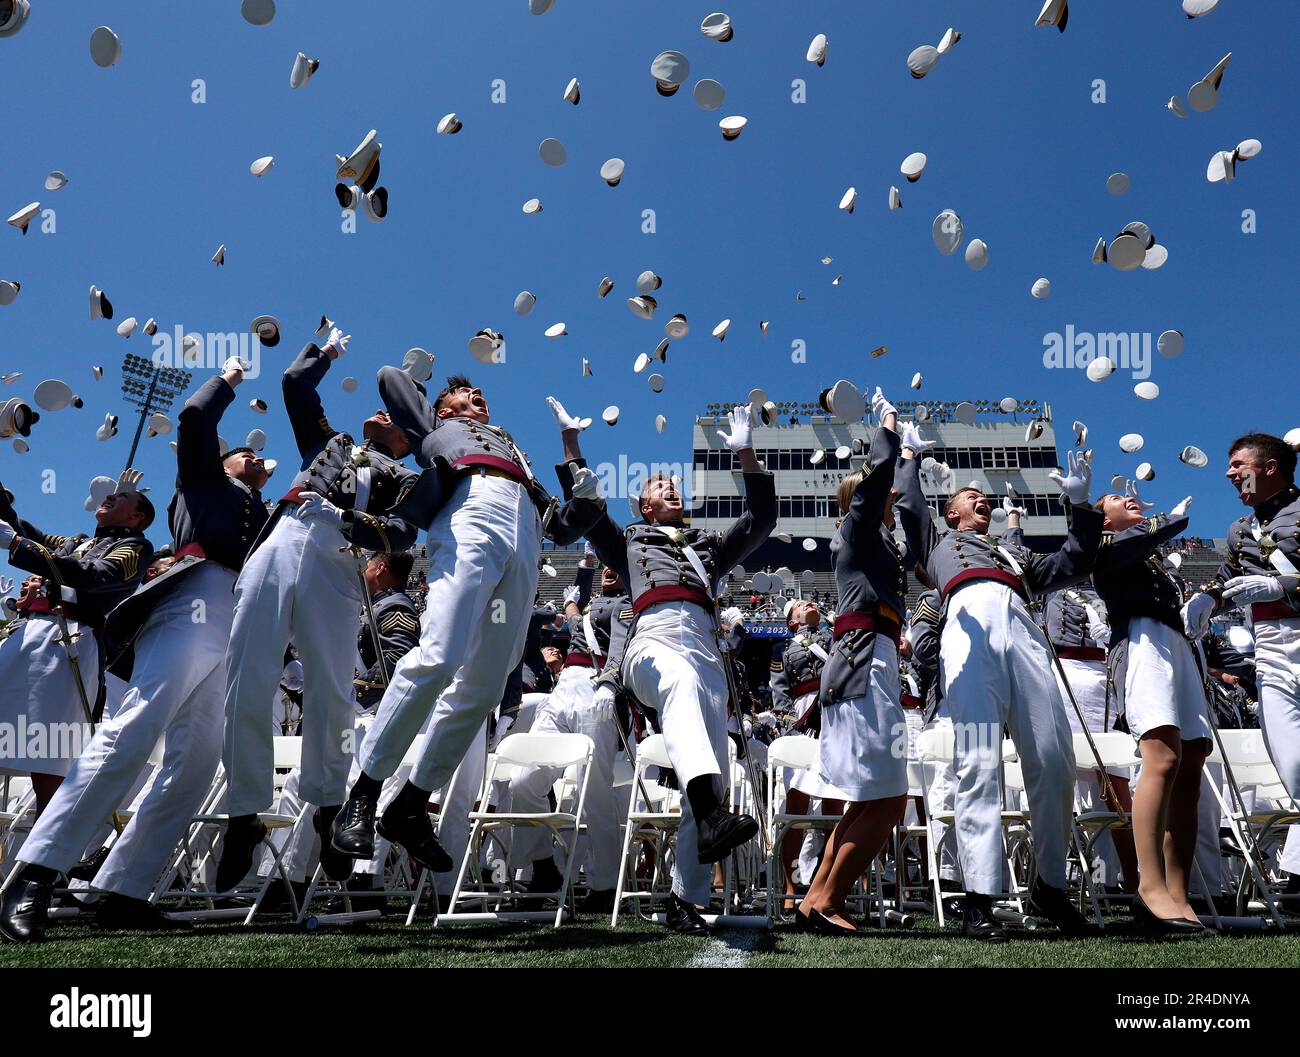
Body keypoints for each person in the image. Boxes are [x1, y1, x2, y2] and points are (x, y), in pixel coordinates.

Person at [1, 357, 270, 942]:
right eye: (248, 456)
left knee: (196, 762)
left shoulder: (266, 514)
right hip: (195, 596)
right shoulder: (202, 478)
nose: (258, 464)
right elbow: (195, 413)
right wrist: (227, 378)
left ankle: (123, 885)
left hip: (242, 614)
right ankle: (34, 875)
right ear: (221, 459)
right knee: (134, 726)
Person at [330, 374, 602, 878]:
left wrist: (574, 457)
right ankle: (363, 794)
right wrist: (431, 407)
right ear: (442, 410)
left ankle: (409, 806)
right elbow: (389, 378)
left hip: (524, 531)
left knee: (483, 690)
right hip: (470, 510)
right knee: (438, 656)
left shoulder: (517, 456)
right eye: (464, 395)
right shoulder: (437, 432)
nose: (478, 397)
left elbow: (564, 526)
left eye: (481, 394)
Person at [547, 396, 775, 933]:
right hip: (651, 639)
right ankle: (713, 820)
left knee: (711, 764)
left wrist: (746, 453)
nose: (670, 488)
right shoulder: (626, 541)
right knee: (674, 683)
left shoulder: (708, 546)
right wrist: (572, 445)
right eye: (658, 487)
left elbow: (762, 518)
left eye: (673, 485)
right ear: (644, 506)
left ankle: (684, 897)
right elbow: (584, 504)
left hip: (704, 646)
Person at [217, 329, 428, 893]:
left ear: (407, 437)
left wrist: (347, 519)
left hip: (340, 556)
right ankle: (244, 811)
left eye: (392, 415)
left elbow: (403, 532)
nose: (379, 413)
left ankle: (330, 806)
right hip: (285, 535)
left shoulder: (410, 478)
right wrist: (325, 353)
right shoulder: (330, 444)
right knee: (247, 669)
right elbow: (293, 385)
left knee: (332, 689)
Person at [896, 427, 1103, 941]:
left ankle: (1049, 886)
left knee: (1055, 760)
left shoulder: (1014, 555)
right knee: (978, 760)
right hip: (966, 621)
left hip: (1023, 624)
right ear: (951, 514)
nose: (980, 498)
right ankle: (980, 896)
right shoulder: (938, 542)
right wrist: (909, 455)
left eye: (983, 496)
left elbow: (1073, 562)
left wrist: (1080, 506)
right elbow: (909, 502)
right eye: (969, 496)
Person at [796, 389, 909, 935]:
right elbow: (882, 476)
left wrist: (905, 457)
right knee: (889, 796)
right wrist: (887, 424)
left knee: (870, 794)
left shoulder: (877, 540)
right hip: (864, 660)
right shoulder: (860, 529)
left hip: (868, 659)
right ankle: (829, 896)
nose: (890, 499)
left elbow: (899, 487)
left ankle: (818, 897)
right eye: (882, 495)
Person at [1184, 433, 1300, 883]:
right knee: (1291, 765)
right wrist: (1207, 600)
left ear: (1269, 467)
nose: (1230, 473)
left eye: (1237, 465)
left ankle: (1294, 878)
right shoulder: (1239, 530)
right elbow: (1226, 579)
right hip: (1269, 647)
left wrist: (1285, 586)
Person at [1090, 486, 1207, 931]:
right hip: (1140, 639)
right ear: (1104, 520)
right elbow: (1137, 543)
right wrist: (1169, 522)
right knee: (1162, 757)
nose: (1129, 498)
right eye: (1117, 499)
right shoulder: (1104, 545)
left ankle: (1179, 892)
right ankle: (1148, 883)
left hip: (1174, 642)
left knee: (1191, 762)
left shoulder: (1149, 553)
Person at [0, 475, 153, 814]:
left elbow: (93, 575)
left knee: (50, 751)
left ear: (136, 517)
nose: (111, 496)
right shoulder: (77, 541)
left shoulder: (137, 548)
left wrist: (15, 545)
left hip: (70, 640)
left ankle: (45, 853)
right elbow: (30, 535)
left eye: (123, 497)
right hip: (28, 633)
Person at [769, 597, 844, 913]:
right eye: (800, 604)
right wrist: (793, 726)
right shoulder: (782, 650)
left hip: (836, 714)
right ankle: (790, 886)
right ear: (791, 622)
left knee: (834, 803)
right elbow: (780, 693)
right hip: (802, 720)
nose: (808, 603)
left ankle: (828, 883)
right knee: (797, 805)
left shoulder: (836, 635)